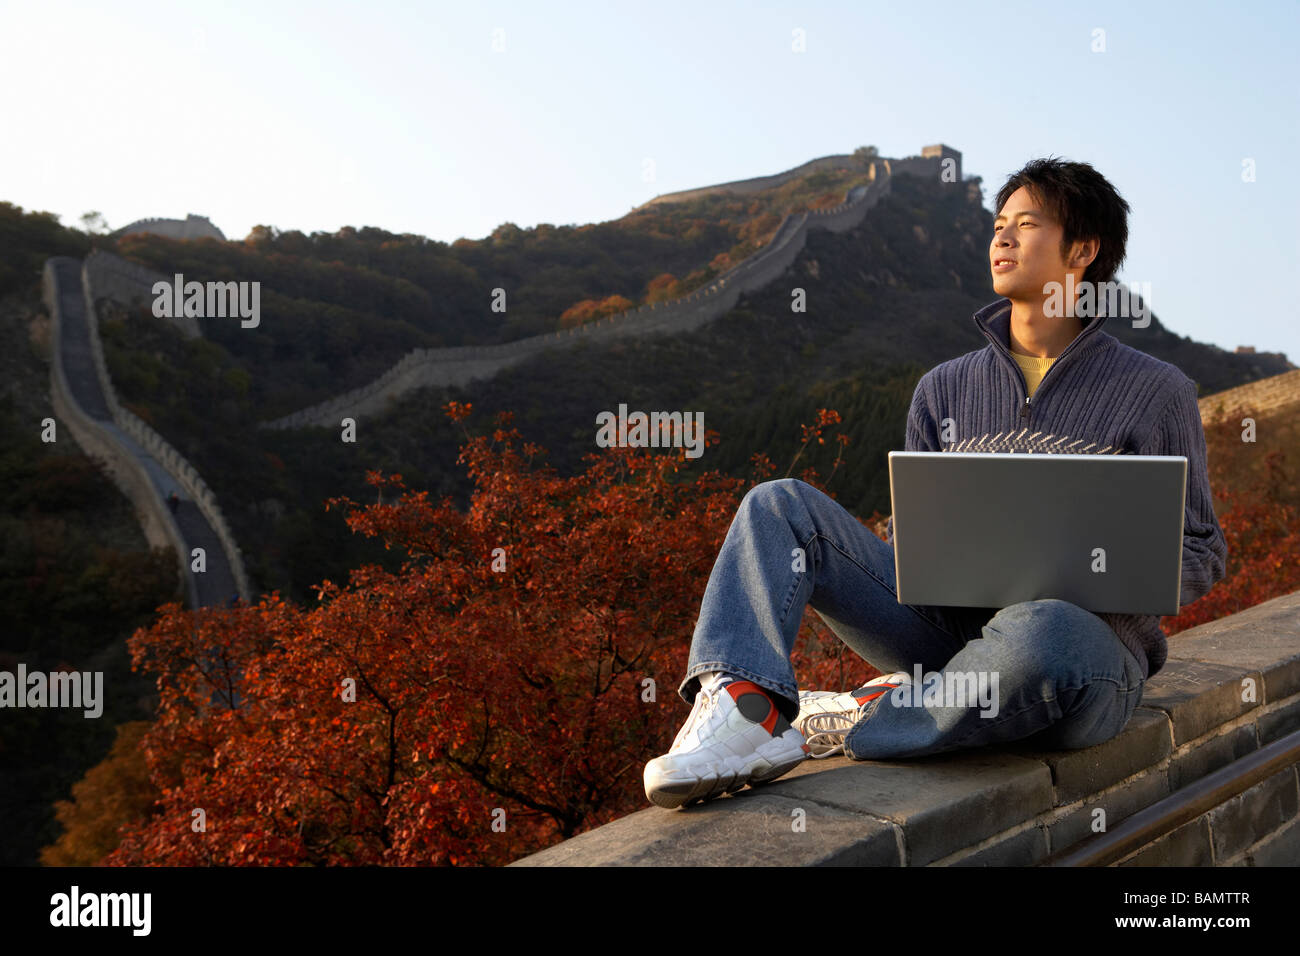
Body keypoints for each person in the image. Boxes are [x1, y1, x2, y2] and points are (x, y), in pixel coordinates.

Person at [643, 157, 1227, 810]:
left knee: (1044, 628)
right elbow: (912, 539)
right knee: (778, 505)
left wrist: (1097, 571)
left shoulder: (1157, 391)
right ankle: (745, 708)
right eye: (998, 224)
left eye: (1026, 224)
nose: (1001, 238)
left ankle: (867, 720)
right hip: (947, 638)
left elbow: (1201, 550)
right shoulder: (944, 388)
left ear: (1084, 250)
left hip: (1080, 654)